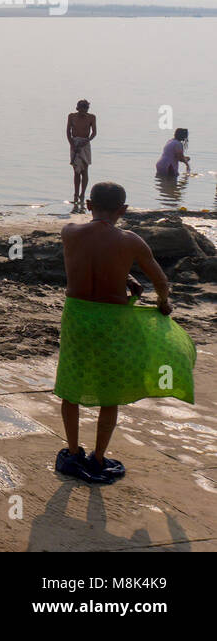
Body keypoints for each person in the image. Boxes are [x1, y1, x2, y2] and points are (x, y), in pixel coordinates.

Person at [54, 182, 193, 484]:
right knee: (109, 390)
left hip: (77, 317)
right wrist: (163, 303)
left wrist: (125, 275)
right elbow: (161, 282)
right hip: (112, 321)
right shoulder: (131, 242)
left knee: (70, 384)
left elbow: (90, 257)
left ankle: (73, 452)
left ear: (88, 206)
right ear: (124, 210)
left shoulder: (69, 232)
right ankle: (98, 458)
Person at [67, 99, 97, 213]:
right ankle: (75, 194)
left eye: (85, 108)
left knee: (85, 170)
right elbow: (68, 132)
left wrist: (87, 141)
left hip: (85, 144)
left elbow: (94, 132)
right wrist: (72, 144)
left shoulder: (91, 117)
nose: (83, 111)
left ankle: (82, 194)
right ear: (77, 108)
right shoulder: (71, 116)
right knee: (76, 171)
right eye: (81, 108)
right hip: (74, 143)